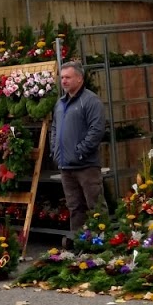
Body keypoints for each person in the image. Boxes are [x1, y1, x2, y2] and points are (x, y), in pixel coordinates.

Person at [52, 61, 105, 232]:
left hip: (86, 166)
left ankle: (103, 243)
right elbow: (54, 128)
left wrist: (80, 152)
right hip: (66, 166)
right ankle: (79, 245)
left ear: (80, 79)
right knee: (75, 208)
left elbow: (96, 130)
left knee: (95, 206)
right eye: (62, 78)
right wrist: (55, 151)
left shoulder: (90, 101)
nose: (64, 81)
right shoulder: (60, 104)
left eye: (68, 77)